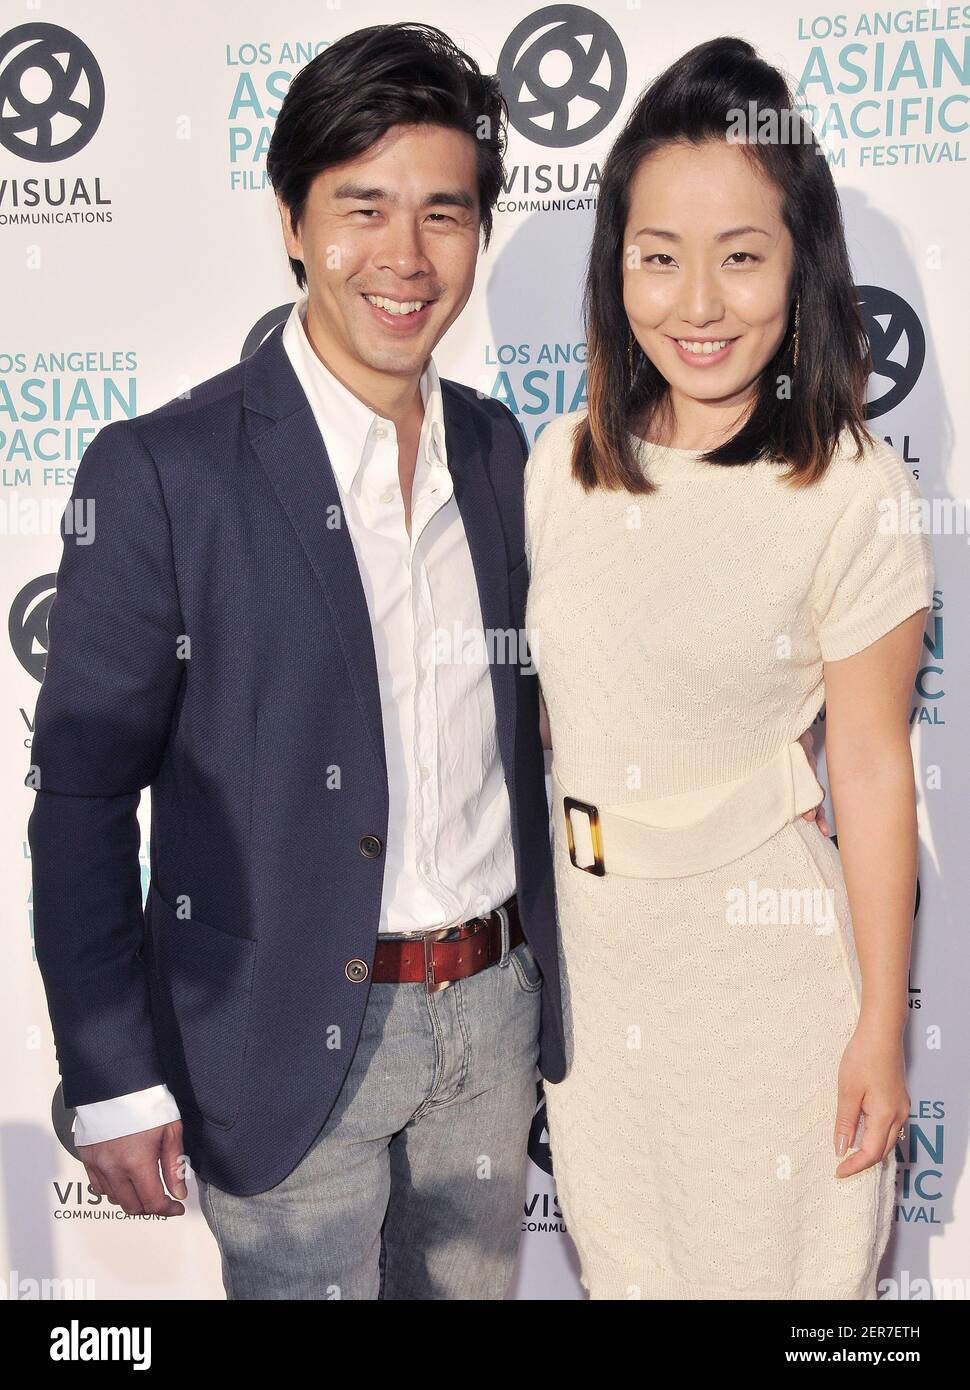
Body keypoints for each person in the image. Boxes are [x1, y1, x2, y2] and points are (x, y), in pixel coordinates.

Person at [26, 23, 565, 1301]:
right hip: (278, 1034)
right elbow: (87, 798)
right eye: (360, 206)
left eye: (444, 213)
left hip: (489, 1018)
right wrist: (111, 1068)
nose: (405, 255)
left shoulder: (498, 454)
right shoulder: (163, 472)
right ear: (289, 218)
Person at [524, 36, 934, 1300]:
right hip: (596, 996)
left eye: (740, 257)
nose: (697, 304)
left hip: (769, 995)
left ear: (800, 265)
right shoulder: (560, 462)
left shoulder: (850, 487)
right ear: (617, 266)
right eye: (659, 258)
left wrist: (877, 1025)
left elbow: (868, 768)